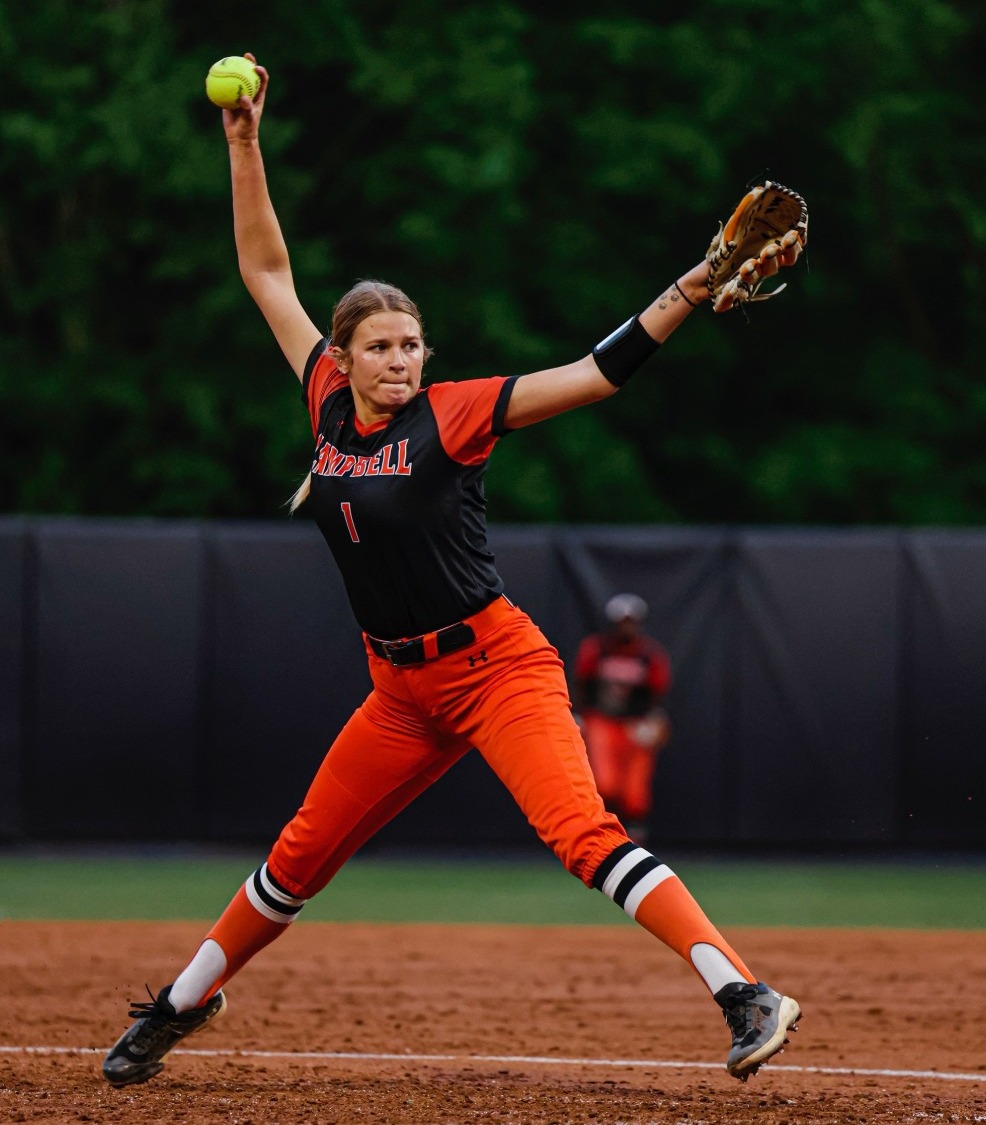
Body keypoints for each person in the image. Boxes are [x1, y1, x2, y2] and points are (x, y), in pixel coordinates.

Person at [102, 56, 805, 1088]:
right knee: (297, 858)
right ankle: (177, 1004)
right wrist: (243, 145)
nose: (402, 360)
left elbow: (592, 376)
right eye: (382, 346)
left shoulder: (457, 412)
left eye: (413, 344)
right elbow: (264, 274)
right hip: (398, 689)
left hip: (493, 666)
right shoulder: (323, 402)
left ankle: (743, 993)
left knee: (580, 834)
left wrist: (687, 292)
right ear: (341, 357)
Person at [574, 593, 673, 842]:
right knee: (604, 783)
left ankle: (634, 842)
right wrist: (578, 714)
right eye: (622, 622)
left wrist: (654, 719)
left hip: (634, 724)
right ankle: (600, 834)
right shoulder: (597, 649)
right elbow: (583, 683)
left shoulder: (649, 654)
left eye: (630, 621)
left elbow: (658, 693)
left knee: (635, 792)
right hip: (602, 720)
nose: (626, 627)